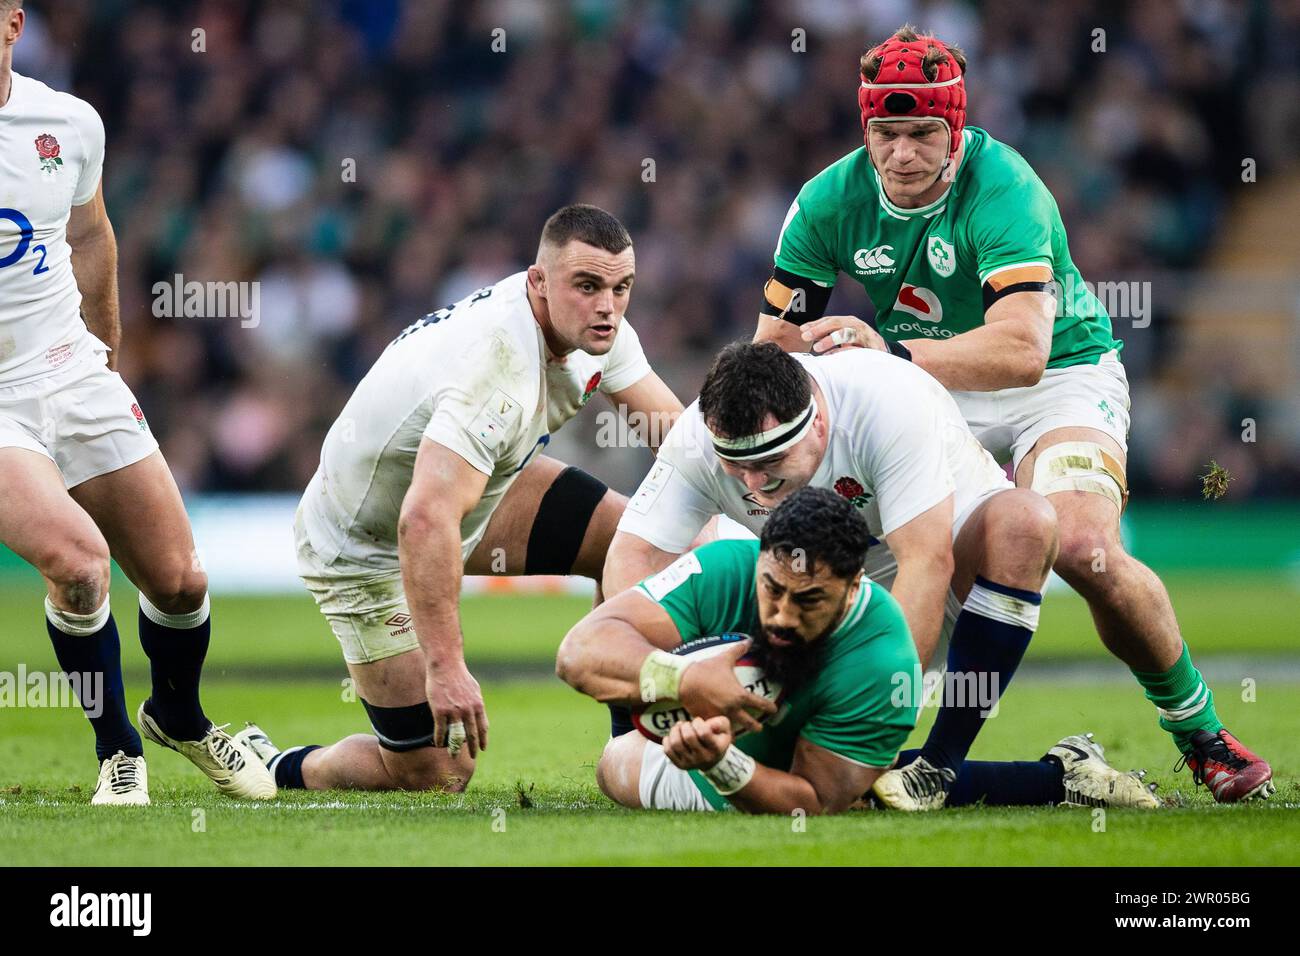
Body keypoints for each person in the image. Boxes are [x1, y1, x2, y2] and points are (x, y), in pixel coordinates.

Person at [751, 25, 1272, 802]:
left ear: (955, 130)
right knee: (891, 549)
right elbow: (775, 353)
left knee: (1086, 547)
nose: (901, 155)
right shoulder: (828, 200)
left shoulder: (1007, 188)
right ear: (866, 129)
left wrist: (886, 355)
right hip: (930, 382)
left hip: (1057, 376)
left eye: (923, 134)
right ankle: (854, 729)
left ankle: (1200, 731)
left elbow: (1022, 349)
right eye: (885, 134)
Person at [236, 205, 684, 794]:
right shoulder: (496, 367)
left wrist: (767, 490)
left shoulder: (600, 333)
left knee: (631, 540)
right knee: (437, 772)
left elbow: (681, 443)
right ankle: (279, 765)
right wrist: (446, 668)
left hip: (471, 493)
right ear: (538, 282)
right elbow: (424, 521)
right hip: (364, 548)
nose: (607, 305)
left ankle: (632, 750)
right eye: (587, 285)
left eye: (620, 288)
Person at [603, 341, 1151, 810]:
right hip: (803, 609)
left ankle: (937, 765)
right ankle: (1057, 779)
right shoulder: (699, 439)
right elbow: (631, 560)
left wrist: (887, 708)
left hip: (940, 592)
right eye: (736, 468)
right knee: (642, 766)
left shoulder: (885, 401)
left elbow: (927, 562)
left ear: (818, 422)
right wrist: (648, 694)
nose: (751, 486)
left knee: (1025, 521)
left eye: (771, 465)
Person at [0, 0, 274, 804]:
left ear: (13, 23)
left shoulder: (69, 124)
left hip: (72, 373)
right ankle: (118, 747)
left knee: (181, 580)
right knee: (80, 566)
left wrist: (108, 355)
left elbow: (89, 235)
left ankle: (179, 719)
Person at [561, 487, 1156, 813]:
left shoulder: (884, 659)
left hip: (771, 753)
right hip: (685, 698)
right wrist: (686, 682)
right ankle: (1057, 777)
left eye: (809, 601)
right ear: (759, 558)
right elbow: (579, 653)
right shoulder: (727, 566)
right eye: (771, 590)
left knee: (862, 792)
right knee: (617, 750)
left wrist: (724, 763)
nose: (782, 616)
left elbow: (813, 798)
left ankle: (1058, 779)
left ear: (852, 588)